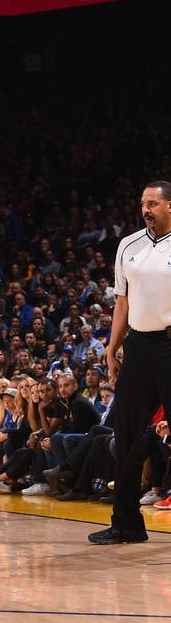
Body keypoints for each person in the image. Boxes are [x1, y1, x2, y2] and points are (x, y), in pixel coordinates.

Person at [90, 180, 171, 545]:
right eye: (143, 203)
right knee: (126, 436)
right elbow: (122, 302)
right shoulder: (129, 244)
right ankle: (126, 523)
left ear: (170, 206)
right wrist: (112, 347)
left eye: (153, 203)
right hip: (138, 345)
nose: (146, 209)